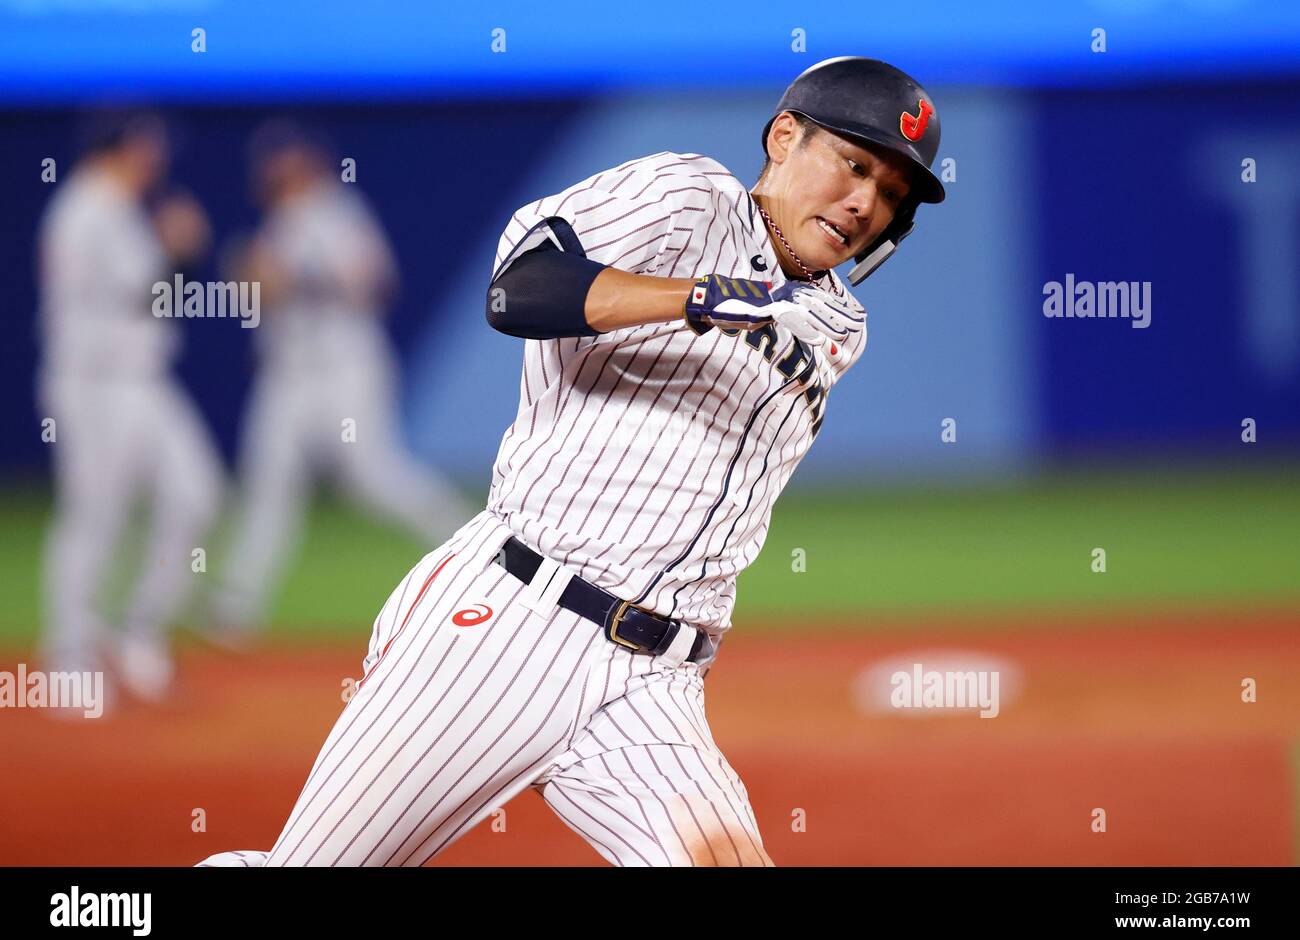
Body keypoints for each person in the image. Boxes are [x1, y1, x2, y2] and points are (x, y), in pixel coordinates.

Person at [197, 55, 944, 866]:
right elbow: (520, 289)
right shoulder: (689, 197)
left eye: (893, 194)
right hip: (510, 622)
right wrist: (694, 297)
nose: (866, 201)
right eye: (855, 163)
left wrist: (746, 303)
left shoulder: (840, 327)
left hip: (656, 682)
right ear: (785, 136)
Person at [205, 121, 474, 638]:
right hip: (288, 376)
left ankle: (470, 547)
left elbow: (372, 282)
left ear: (305, 163)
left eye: (282, 161)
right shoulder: (278, 222)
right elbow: (258, 296)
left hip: (346, 370)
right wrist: (254, 280)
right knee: (267, 487)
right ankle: (234, 609)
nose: (273, 172)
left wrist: (292, 276)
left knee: (373, 477)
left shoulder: (336, 211)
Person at [37, 111, 222, 704]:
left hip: (143, 381)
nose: (157, 157)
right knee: (96, 515)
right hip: (93, 383)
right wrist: (181, 249)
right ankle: (67, 657)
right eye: (149, 145)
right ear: (122, 147)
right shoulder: (88, 207)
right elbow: (145, 289)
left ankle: (137, 629)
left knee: (195, 495)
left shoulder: (117, 208)